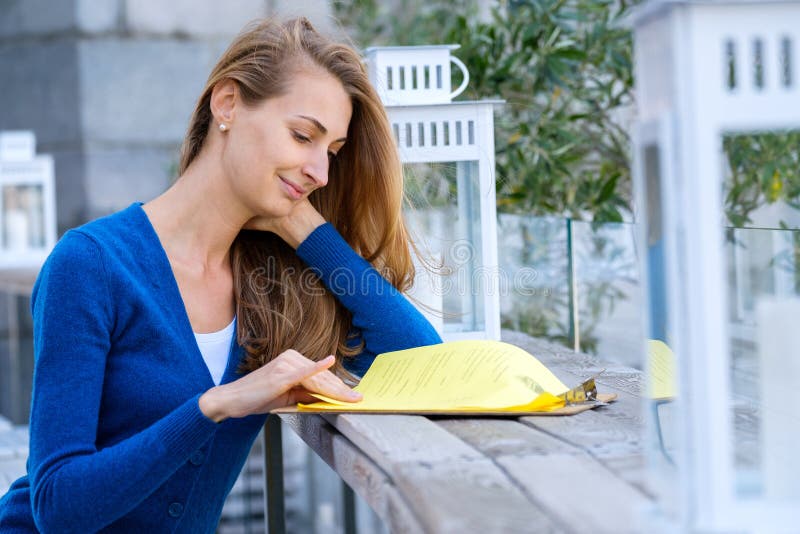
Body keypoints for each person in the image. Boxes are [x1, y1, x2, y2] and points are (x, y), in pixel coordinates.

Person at [0, 17, 441, 532]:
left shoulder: (278, 288)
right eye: (303, 136)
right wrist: (216, 405)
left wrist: (307, 229)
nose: (320, 172)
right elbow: (58, 507)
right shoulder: (91, 264)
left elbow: (423, 362)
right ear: (227, 103)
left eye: (332, 153)